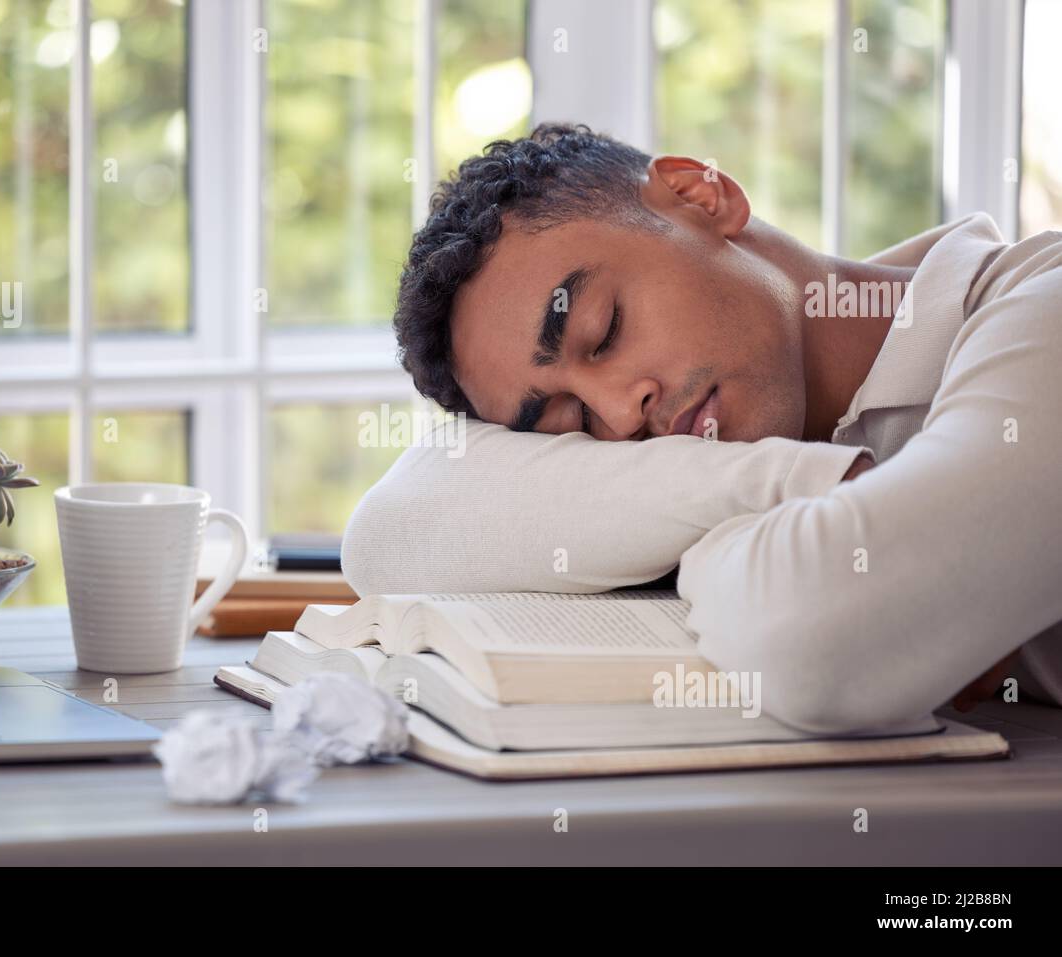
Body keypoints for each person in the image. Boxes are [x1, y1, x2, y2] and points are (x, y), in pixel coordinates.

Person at [341, 123, 1062, 734]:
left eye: (604, 329)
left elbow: (820, 636)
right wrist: (791, 485)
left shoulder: (1042, 309)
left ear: (698, 195)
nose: (621, 416)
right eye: (571, 421)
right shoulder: (777, 465)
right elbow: (386, 535)